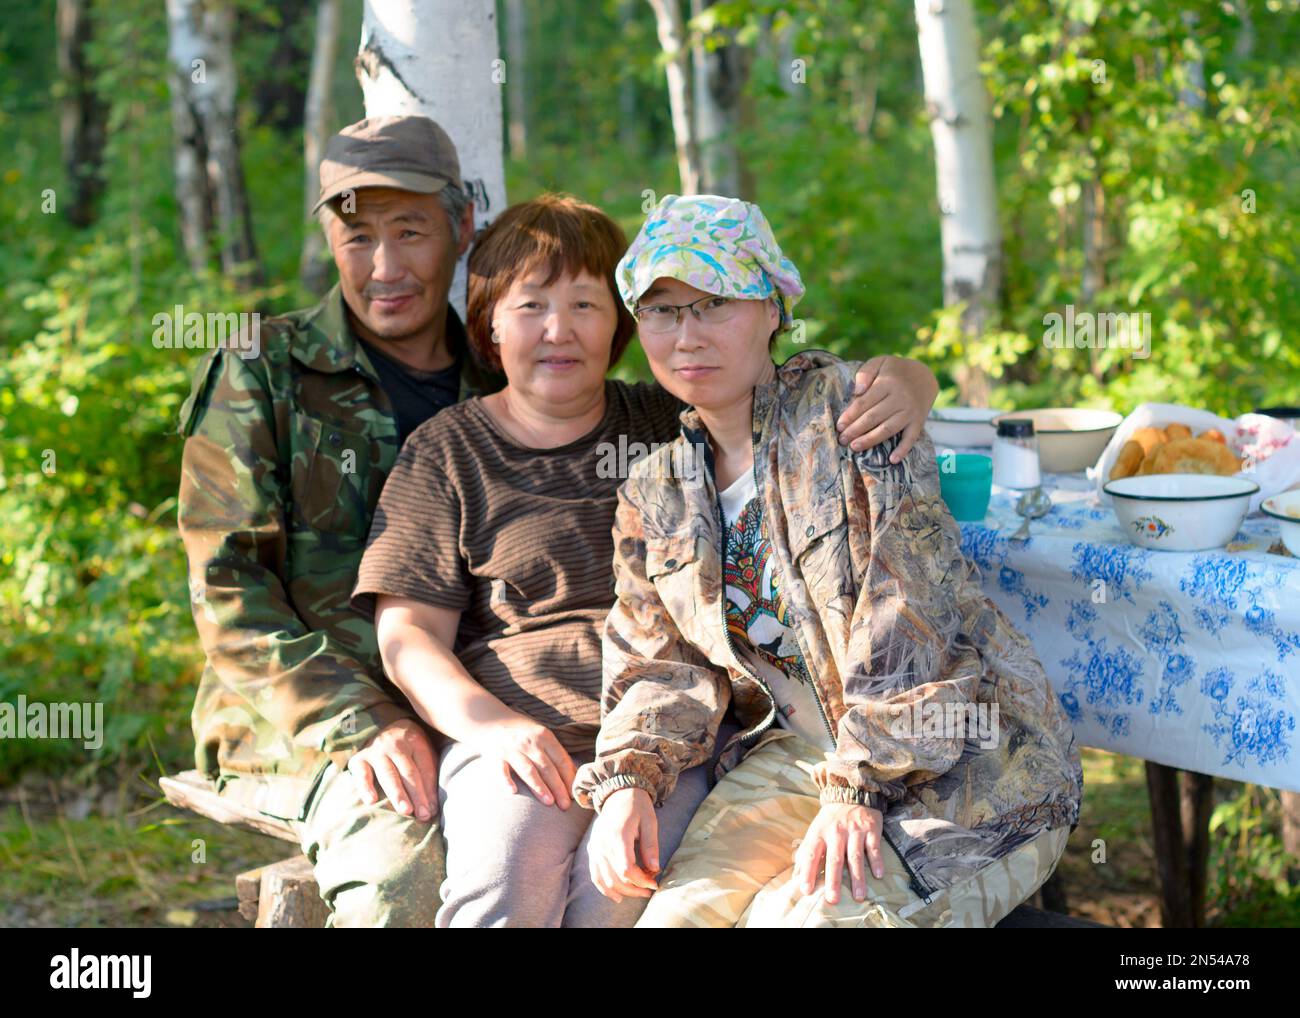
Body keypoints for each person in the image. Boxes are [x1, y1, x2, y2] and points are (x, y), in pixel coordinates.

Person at [349, 192, 942, 927]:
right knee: (505, 892)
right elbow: (406, 637)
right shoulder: (447, 452)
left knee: (619, 900)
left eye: (586, 306)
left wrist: (912, 379)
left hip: (674, 737)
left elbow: (782, 393)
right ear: (489, 322)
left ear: (621, 325)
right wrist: (491, 726)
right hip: (519, 741)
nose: (558, 331)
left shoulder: (671, 418)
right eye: (530, 306)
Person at [574, 194, 1084, 928]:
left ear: (774, 309)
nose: (687, 334)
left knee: (810, 923)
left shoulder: (852, 413)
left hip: (966, 762)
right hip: (804, 759)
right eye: (662, 310)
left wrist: (859, 787)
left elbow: (912, 611)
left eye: (714, 302)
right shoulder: (656, 489)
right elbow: (660, 665)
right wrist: (629, 777)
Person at [176, 115, 504, 927]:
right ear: (328, 237)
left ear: (461, 228)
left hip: (474, 710)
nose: (385, 267)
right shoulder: (262, 371)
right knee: (402, 882)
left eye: (411, 232)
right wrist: (362, 723)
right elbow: (229, 594)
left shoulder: (504, 381)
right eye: (358, 236)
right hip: (302, 723)